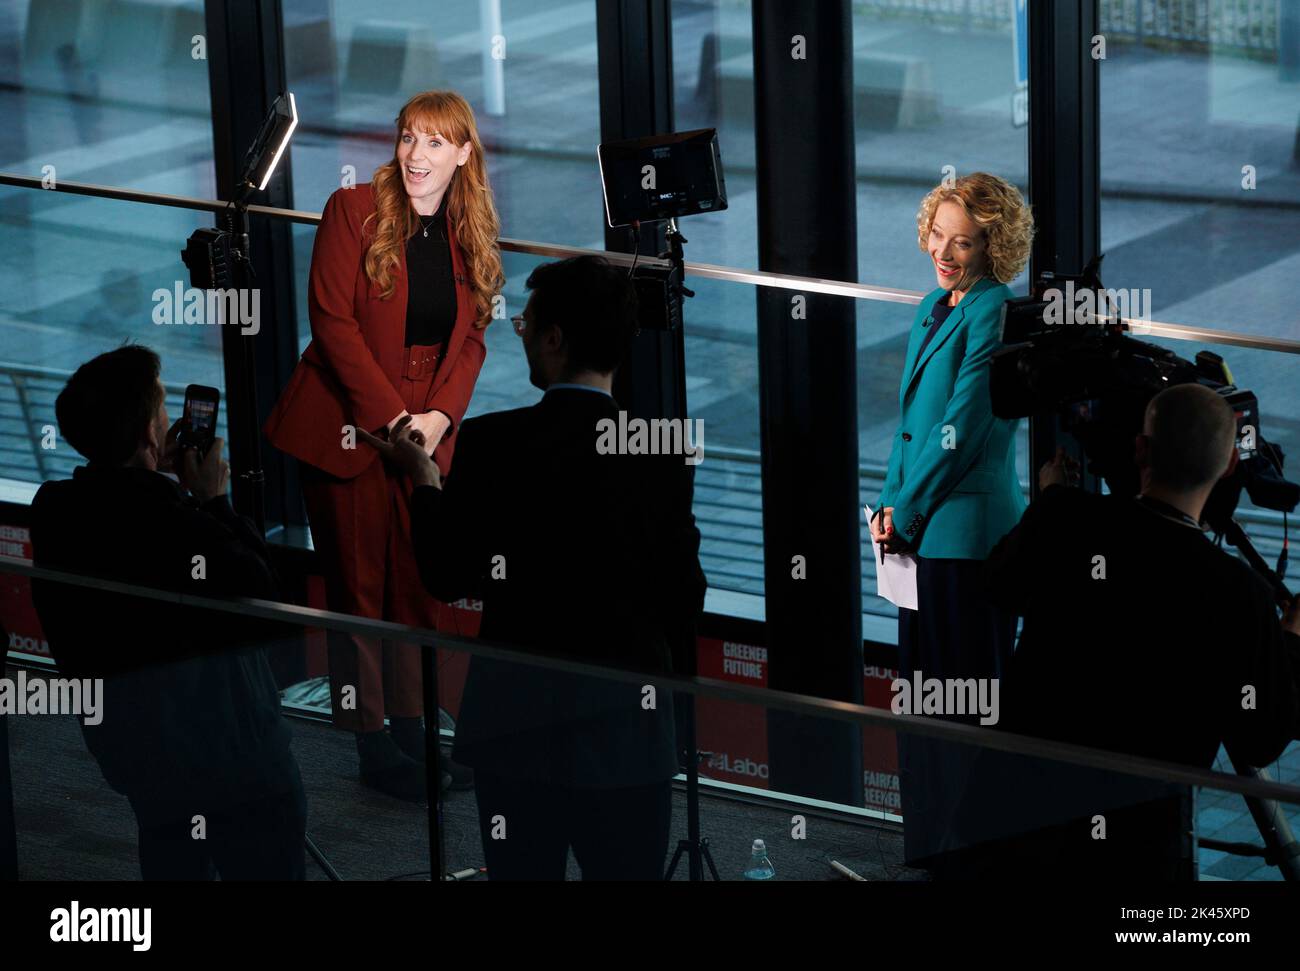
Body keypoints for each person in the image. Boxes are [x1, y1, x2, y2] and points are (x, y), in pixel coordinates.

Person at [360, 256, 706, 880]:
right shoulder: (662, 450)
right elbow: (684, 596)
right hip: (627, 734)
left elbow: (446, 572)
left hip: (516, 733)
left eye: (525, 325)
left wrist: (426, 484)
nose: (519, 336)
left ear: (554, 338)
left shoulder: (495, 442)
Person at [264, 90, 504, 801]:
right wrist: (399, 420)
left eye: (434, 143)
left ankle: (411, 724)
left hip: (425, 430)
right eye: (407, 139)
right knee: (359, 593)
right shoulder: (352, 212)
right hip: (350, 426)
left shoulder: (471, 230)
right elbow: (332, 324)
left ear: (464, 153)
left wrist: (439, 420)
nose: (415, 156)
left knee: (419, 589)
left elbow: (473, 336)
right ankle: (371, 742)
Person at [959, 383, 1300, 879]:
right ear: (1230, 466)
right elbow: (1260, 740)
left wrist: (1050, 501)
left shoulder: (1064, 518)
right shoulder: (1236, 594)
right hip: (1133, 851)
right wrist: (1289, 640)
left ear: (1140, 449)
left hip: (1006, 827)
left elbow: (998, 585)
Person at [30, 344, 306, 880]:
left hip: (136, 752)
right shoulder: (178, 523)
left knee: (171, 859)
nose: (170, 418)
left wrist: (163, 481)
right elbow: (266, 598)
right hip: (235, 758)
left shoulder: (55, 508)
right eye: (160, 409)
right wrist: (211, 499)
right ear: (148, 435)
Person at [867, 172, 1035, 872]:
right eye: (938, 234)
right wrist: (885, 507)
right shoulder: (938, 304)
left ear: (991, 246)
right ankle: (929, 849)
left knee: (963, 710)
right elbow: (913, 427)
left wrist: (902, 515)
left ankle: (967, 856)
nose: (944, 251)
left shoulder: (991, 309)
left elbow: (960, 431)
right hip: (920, 536)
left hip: (965, 542)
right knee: (925, 706)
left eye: (962, 242)